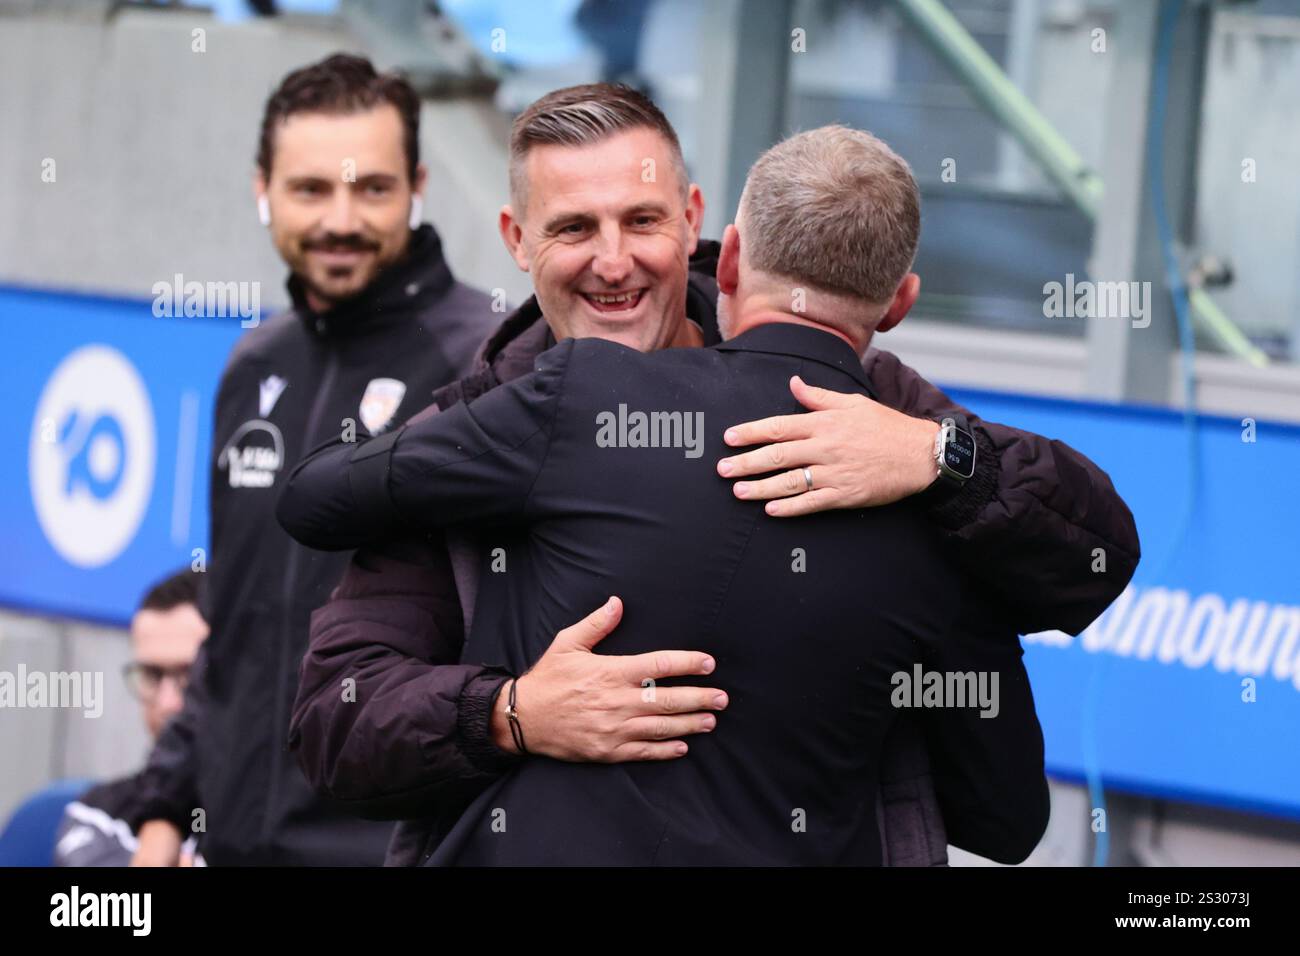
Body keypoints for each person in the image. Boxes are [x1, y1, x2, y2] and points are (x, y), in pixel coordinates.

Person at [278, 85, 1140, 866]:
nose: (613, 262)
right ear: (515, 239)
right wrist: (509, 713)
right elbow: (332, 723)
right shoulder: (473, 430)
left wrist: (940, 460)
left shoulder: (882, 416)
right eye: (574, 227)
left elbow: (1091, 549)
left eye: (642, 221)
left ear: (699, 227)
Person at [128, 53, 496, 866]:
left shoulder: (482, 362)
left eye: (372, 187)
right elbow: (227, 636)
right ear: (262, 188)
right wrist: (161, 816)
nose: (342, 218)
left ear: (418, 184)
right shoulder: (252, 366)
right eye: (310, 189)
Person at [54, 570, 208, 867]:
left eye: (189, 675)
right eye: (152, 675)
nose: (168, 702)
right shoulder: (98, 816)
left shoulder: (267, 832)